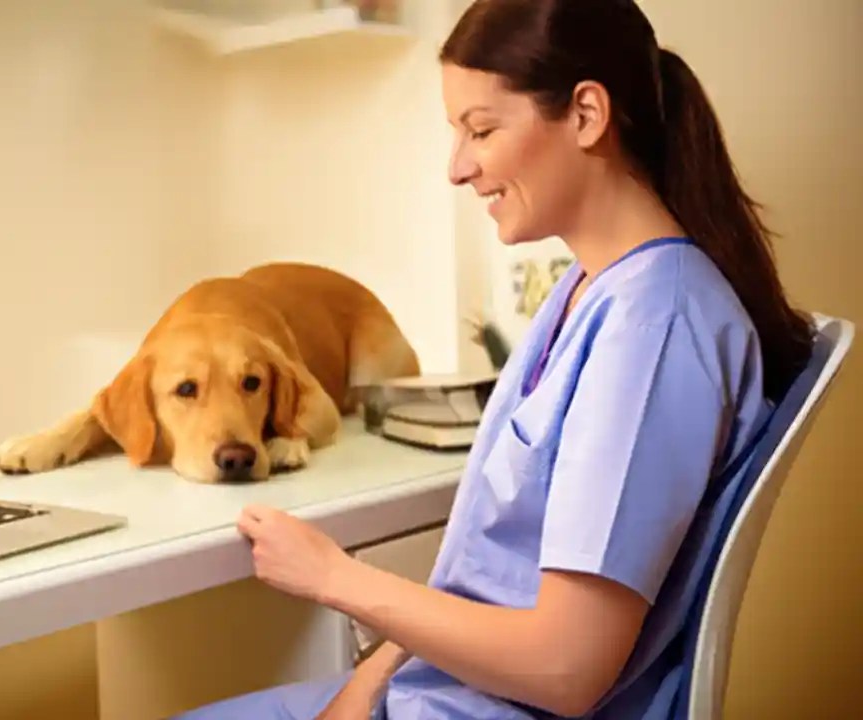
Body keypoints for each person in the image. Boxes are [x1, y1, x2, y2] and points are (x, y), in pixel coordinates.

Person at [173, 0, 813, 718]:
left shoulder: (655, 326)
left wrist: (335, 578)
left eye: (480, 130)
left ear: (587, 115)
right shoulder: (589, 292)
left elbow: (568, 668)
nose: (457, 167)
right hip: (436, 693)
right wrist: (360, 692)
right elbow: (478, 583)